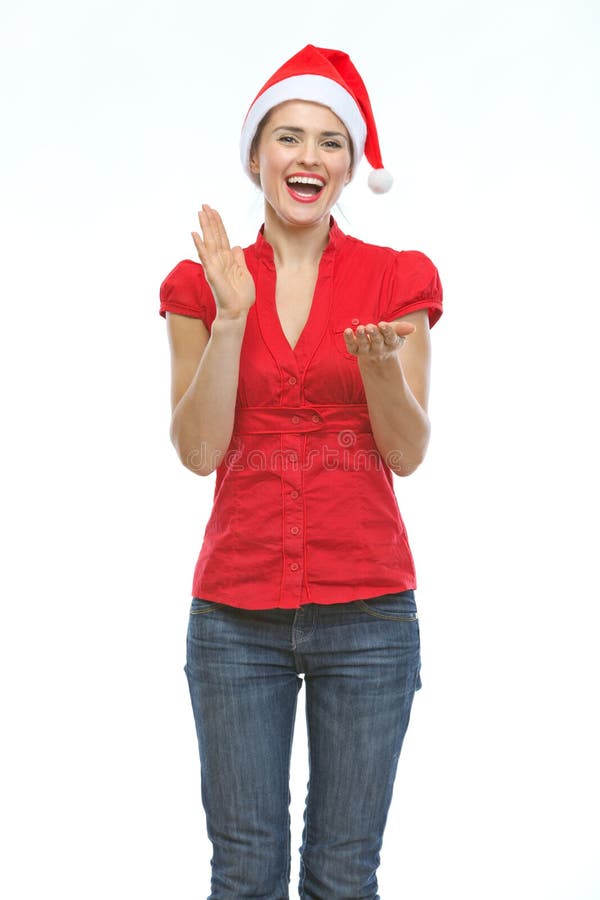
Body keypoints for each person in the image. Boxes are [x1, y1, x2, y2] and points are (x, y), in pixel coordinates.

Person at [159, 44, 443, 900]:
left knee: (342, 877)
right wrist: (233, 324)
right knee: (244, 874)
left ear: (351, 165)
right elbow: (198, 452)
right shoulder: (201, 286)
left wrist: (381, 373)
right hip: (235, 619)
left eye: (329, 143)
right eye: (288, 138)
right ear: (257, 156)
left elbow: (409, 452)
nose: (307, 158)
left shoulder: (398, 279)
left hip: (369, 616)